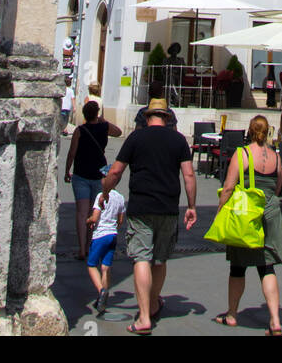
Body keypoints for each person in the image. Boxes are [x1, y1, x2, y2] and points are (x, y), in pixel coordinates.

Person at [100, 97, 196, 335]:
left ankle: (143, 317)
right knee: (160, 259)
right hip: (168, 206)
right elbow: (189, 175)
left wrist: (105, 191)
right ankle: (153, 303)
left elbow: (116, 171)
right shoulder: (178, 140)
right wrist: (192, 206)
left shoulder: (135, 137)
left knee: (142, 258)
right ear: (167, 117)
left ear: (146, 116)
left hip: (141, 206)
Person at [212, 115, 282, 335]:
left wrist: (220, 211)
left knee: (238, 267)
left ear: (249, 130)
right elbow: (278, 185)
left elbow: (228, 187)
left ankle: (232, 314)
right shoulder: (276, 157)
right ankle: (275, 321)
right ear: (267, 132)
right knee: (266, 267)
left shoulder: (243, 154)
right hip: (269, 212)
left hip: (246, 214)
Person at [65, 101, 122, 260]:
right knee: (94, 211)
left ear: (84, 114)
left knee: (82, 212)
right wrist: (104, 121)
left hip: (81, 175)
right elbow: (118, 132)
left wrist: (66, 171)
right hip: (98, 175)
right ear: (97, 113)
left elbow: (71, 153)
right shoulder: (104, 127)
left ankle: (82, 249)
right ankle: (91, 245)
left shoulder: (80, 131)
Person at [85, 186, 126, 315]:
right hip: (113, 235)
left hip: (100, 235)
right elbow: (120, 220)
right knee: (105, 267)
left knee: (91, 265)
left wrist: (88, 220)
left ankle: (101, 291)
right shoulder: (120, 198)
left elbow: (95, 218)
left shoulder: (101, 196)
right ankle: (102, 300)